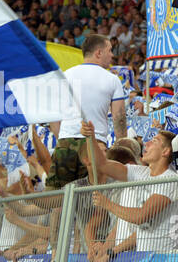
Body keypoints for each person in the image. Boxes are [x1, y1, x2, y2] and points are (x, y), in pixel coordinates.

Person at [84, 125, 178, 262]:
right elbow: (102, 164)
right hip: (143, 258)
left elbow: (142, 216)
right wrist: (91, 138)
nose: (147, 143)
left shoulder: (170, 178)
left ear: (166, 151)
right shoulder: (140, 172)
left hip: (164, 260)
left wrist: (107, 204)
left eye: (155, 141)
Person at [48, 34, 127, 190]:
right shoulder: (112, 80)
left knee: (57, 201)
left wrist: (63, 139)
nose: (112, 55)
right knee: (92, 200)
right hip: (95, 145)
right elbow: (119, 118)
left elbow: (54, 118)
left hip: (65, 143)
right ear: (98, 53)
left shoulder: (64, 76)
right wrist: (121, 148)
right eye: (109, 50)